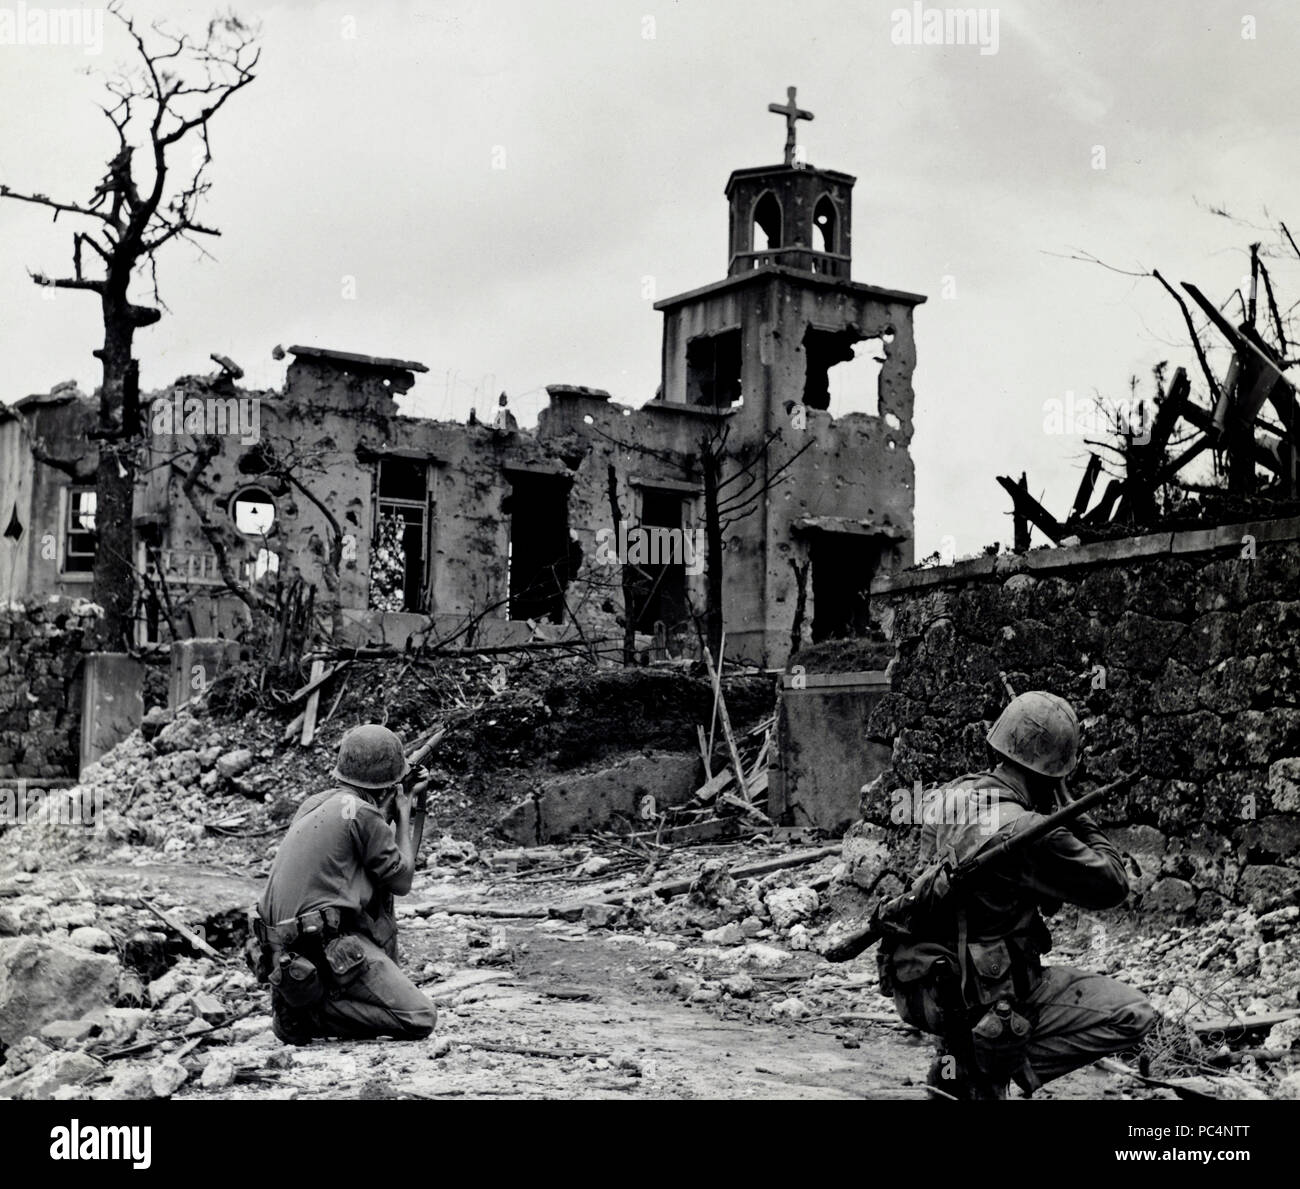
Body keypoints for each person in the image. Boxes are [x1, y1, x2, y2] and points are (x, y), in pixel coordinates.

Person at [879, 691, 1156, 1099]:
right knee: (1133, 1014)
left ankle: (956, 1058)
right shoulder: (1029, 831)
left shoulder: (948, 795)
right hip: (987, 994)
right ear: (1054, 773)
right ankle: (990, 1067)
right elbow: (1112, 884)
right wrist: (1073, 808)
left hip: (927, 990)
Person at [248, 724, 438, 1045]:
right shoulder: (364, 814)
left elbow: (358, 865)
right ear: (389, 784)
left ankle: (308, 1001)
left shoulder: (314, 803)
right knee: (420, 1018)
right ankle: (309, 1016)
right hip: (318, 947)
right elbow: (402, 880)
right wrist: (405, 811)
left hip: (281, 950)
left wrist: (388, 808)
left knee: (372, 889)